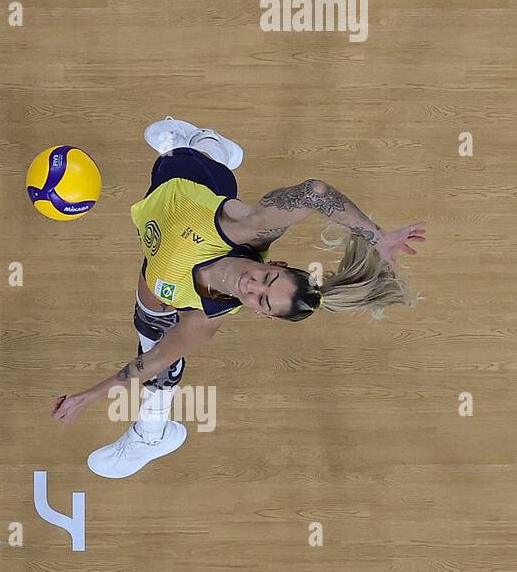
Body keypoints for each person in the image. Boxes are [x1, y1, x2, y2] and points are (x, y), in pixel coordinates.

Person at [51, 116, 426, 479]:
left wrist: (87, 398)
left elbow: (152, 362)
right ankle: (207, 142)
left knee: (151, 324)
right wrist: (377, 236)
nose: (251, 285)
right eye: (267, 278)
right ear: (274, 261)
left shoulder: (206, 318)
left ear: (259, 313)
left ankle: (152, 434)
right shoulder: (245, 228)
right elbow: (315, 193)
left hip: (158, 242)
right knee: (183, 153)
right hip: (192, 173)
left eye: (261, 299)